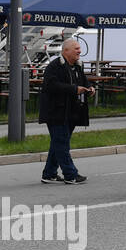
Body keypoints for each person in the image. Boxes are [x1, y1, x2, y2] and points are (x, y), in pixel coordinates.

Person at [38, 38, 94, 184]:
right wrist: (74, 89)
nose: (79, 51)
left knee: (58, 142)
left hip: (72, 112)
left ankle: (49, 174)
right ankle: (71, 174)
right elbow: (51, 86)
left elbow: (83, 81)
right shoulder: (54, 66)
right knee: (62, 143)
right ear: (66, 50)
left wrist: (89, 88)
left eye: (79, 48)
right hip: (55, 112)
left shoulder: (77, 66)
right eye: (76, 48)